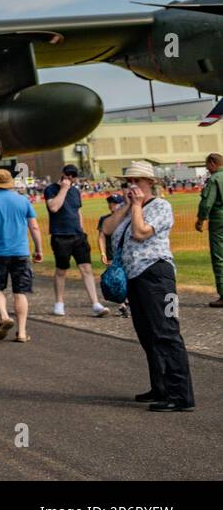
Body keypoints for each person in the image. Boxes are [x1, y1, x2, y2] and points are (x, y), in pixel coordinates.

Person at [101, 161, 195, 411]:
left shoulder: (161, 206)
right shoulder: (128, 208)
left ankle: (180, 395)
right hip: (136, 277)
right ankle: (160, 387)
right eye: (128, 182)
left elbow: (141, 232)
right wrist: (127, 206)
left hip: (157, 275)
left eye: (137, 181)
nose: (132, 186)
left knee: (167, 332)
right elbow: (107, 229)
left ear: (150, 183)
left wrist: (136, 206)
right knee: (148, 335)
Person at [0, 168, 43, 342]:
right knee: (20, 292)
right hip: (21, 252)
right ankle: (21, 332)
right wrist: (39, 249)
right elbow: (34, 227)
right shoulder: (23, 200)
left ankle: (4, 316)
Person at [45, 164, 109, 317]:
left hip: (78, 235)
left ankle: (95, 303)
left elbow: (78, 211)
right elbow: (53, 207)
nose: (70, 178)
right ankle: (59, 303)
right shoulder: (51, 189)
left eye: (73, 175)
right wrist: (64, 189)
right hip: (60, 235)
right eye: (68, 174)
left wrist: (81, 229)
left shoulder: (75, 191)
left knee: (86, 269)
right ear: (62, 174)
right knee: (61, 270)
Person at [195, 153, 223, 307]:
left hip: (219, 221)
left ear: (212, 163)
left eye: (207, 165)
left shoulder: (214, 179)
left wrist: (200, 220)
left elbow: (207, 203)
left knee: (219, 257)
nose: (207, 168)